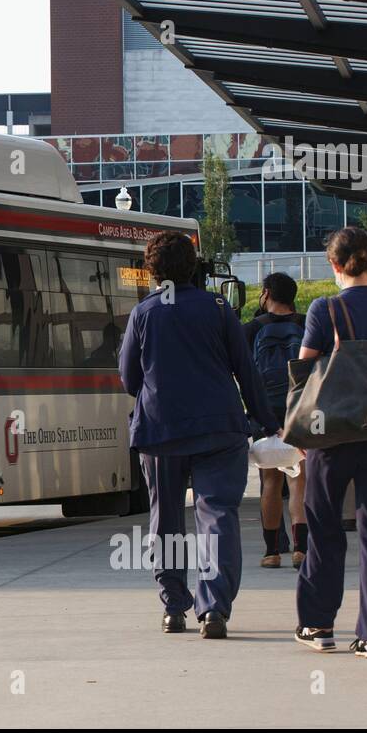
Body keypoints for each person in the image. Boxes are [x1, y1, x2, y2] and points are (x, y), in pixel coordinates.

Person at [120, 232, 280, 639]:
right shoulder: (219, 308)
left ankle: (174, 607)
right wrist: (267, 421)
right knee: (217, 516)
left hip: (161, 431)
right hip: (219, 428)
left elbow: (128, 379)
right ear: (194, 266)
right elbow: (246, 370)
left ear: (151, 270)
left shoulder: (143, 314)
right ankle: (214, 610)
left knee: (166, 519)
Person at [294, 226, 367, 659]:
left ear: (334, 264)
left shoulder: (323, 310)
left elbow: (305, 377)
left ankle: (319, 625)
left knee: (324, 529)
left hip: (331, 433)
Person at [244, 273, 308, 569]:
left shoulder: (251, 329)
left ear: (266, 294)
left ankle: (271, 552)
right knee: (299, 479)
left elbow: (240, 372)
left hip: (265, 410)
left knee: (271, 480)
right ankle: (301, 549)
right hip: (301, 409)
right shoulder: (306, 324)